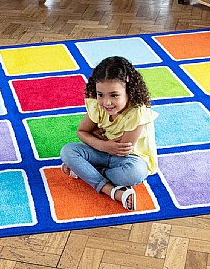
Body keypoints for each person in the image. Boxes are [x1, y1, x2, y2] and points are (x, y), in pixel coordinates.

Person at [60, 56, 158, 211]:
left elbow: (121, 150)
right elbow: (81, 132)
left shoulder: (137, 113)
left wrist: (96, 136)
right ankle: (111, 190)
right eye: (100, 95)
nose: (106, 102)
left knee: (135, 173)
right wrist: (102, 143)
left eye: (114, 95)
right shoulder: (98, 106)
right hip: (103, 150)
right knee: (68, 151)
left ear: (129, 91)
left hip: (129, 158)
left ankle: (88, 171)